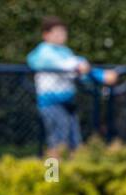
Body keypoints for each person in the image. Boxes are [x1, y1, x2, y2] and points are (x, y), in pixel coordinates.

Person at [27, 16, 118, 154]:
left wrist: (97, 75)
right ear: (46, 35)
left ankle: (70, 173)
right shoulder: (43, 52)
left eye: (63, 32)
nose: (61, 36)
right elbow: (69, 66)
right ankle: (52, 175)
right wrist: (99, 75)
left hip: (68, 104)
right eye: (56, 32)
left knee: (74, 141)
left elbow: (80, 69)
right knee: (56, 143)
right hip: (50, 104)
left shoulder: (65, 51)